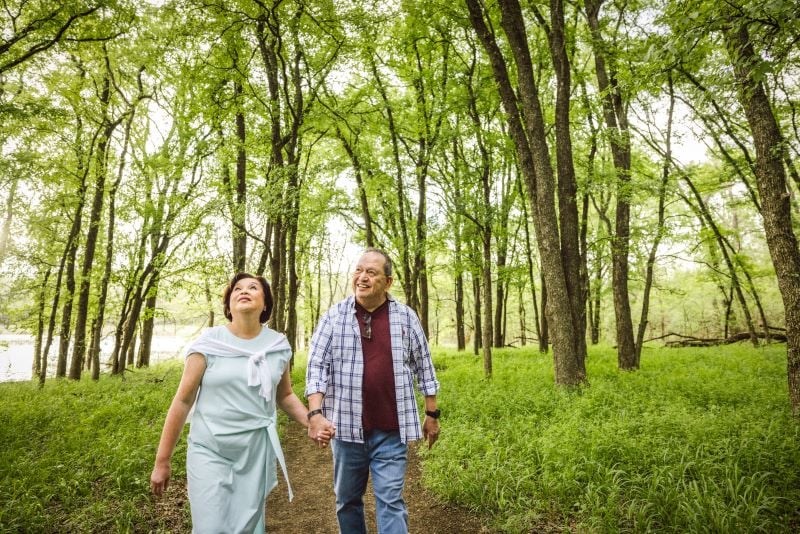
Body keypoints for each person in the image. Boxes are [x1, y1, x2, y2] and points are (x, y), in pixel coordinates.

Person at [150, 272, 334, 533]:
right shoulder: (208, 344)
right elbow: (182, 401)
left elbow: (285, 395)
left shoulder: (278, 346)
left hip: (254, 452)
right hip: (209, 449)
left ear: (265, 304)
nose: (243, 291)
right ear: (228, 304)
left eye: (253, 288)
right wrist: (163, 460)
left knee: (244, 528)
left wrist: (312, 420)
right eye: (237, 289)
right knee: (210, 527)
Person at [305, 248, 441, 534]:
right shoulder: (334, 317)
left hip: (391, 430)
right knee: (347, 501)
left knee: (391, 501)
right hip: (345, 430)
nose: (362, 277)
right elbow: (317, 366)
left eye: (372, 272)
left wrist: (432, 413)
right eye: (358, 270)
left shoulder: (405, 317)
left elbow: (424, 365)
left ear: (387, 282)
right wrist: (316, 413)